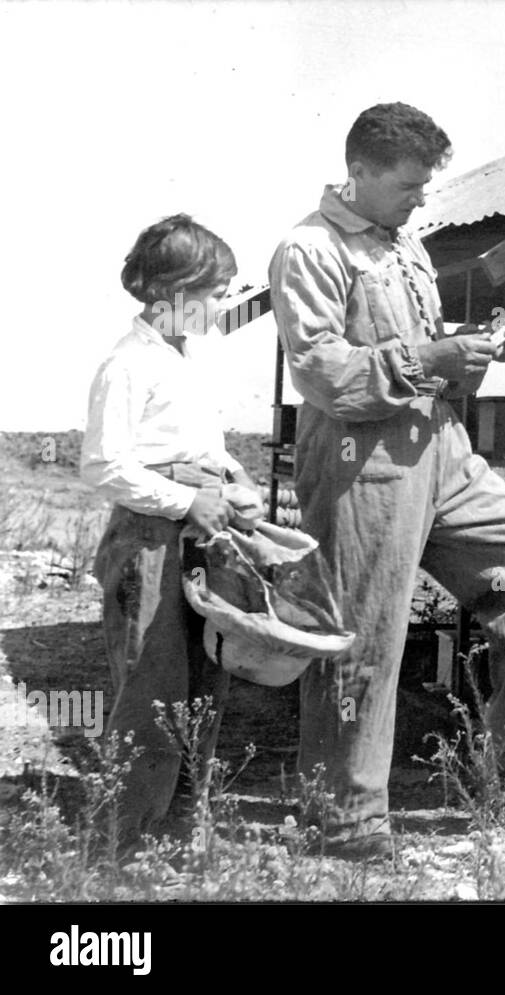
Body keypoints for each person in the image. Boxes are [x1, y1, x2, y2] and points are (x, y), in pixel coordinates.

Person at [269, 102, 505, 861]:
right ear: (360, 171)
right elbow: (323, 372)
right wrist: (430, 361)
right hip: (359, 461)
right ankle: (344, 819)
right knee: (364, 632)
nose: (419, 200)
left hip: (442, 450)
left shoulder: (406, 246)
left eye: (425, 187)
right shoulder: (310, 249)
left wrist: (472, 351)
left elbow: (419, 351)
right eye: (407, 185)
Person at [82, 214, 263, 847]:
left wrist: (236, 479)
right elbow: (104, 465)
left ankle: (184, 831)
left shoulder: (185, 359)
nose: (221, 307)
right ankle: (126, 841)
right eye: (214, 294)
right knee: (152, 688)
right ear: (174, 293)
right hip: (149, 541)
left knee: (204, 680)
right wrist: (187, 501)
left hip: (198, 536)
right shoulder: (127, 364)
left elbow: (204, 446)